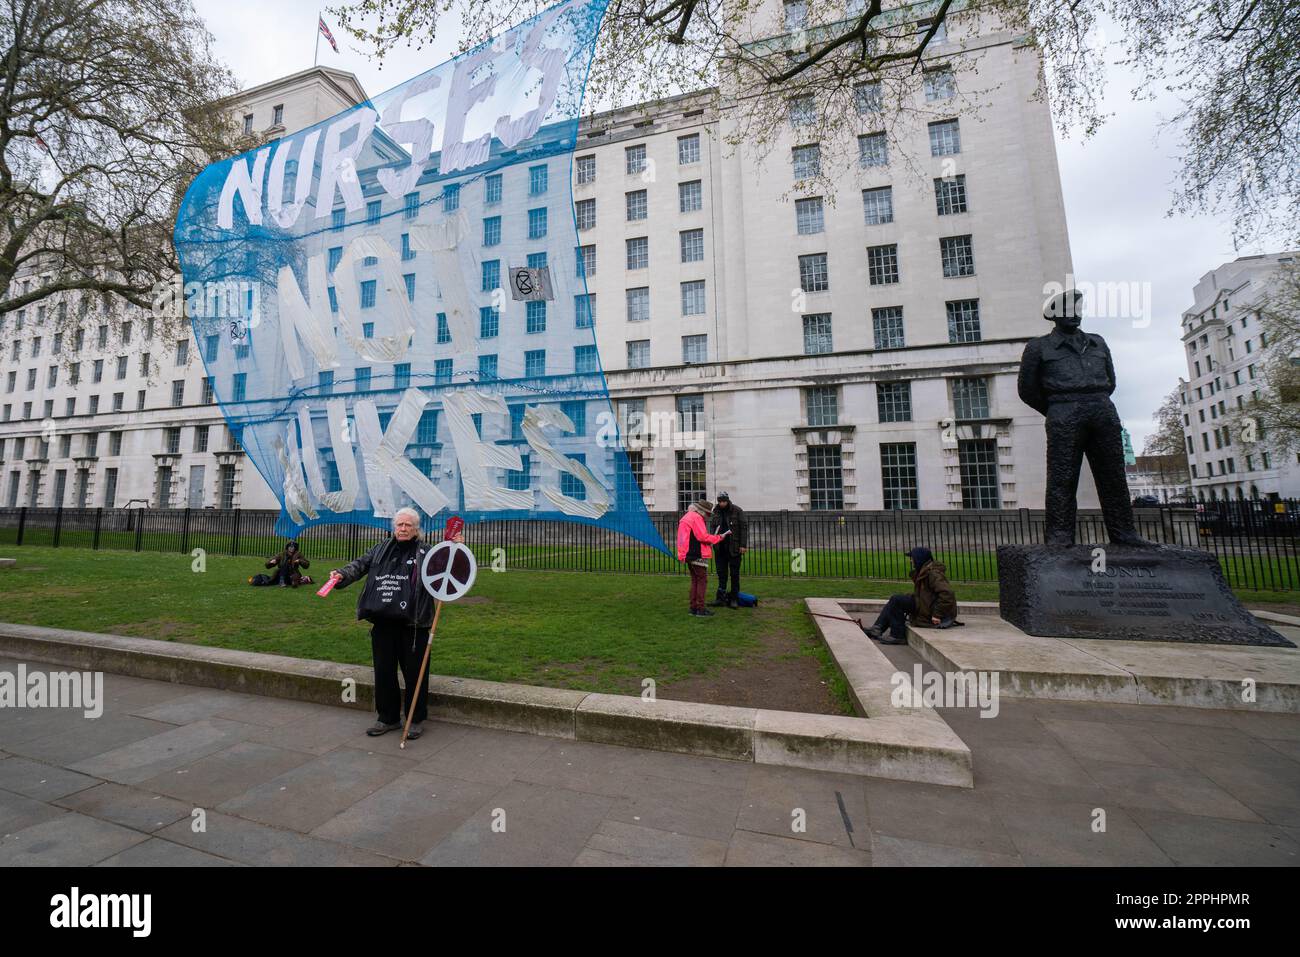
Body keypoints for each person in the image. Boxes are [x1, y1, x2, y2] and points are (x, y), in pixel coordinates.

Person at [1017, 289, 1151, 547]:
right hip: (1064, 410)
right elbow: (1027, 390)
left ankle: (1124, 533)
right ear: (1055, 316)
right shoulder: (1038, 347)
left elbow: (1110, 381)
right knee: (1062, 478)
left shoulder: (1098, 342)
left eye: (1078, 310)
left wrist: (1093, 399)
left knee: (1113, 476)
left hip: (1102, 409)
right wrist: (1056, 409)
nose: (1075, 316)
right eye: (1068, 311)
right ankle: (1059, 536)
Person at [326, 508, 434, 739]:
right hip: (383, 621)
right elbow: (359, 565)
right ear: (394, 527)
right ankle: (388, 717)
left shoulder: (426, 552)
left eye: (408, 525)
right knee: (384, 672)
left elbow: (450, 568)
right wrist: (341, 575)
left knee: (415, 673)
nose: (403, 529)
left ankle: (415, 719)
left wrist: (456, 547)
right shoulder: (380, 549)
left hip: (414, 625)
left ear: (416, 529)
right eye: (399, 525)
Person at [862, 547, 959, 645]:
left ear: (918, 558)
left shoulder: (933, 573)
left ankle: (898, 635)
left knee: (897, 600)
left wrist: (937, 615)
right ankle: (877, 628)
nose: (910, 561)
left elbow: (947, 594)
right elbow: (927, 593)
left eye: (912, 558)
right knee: (896, 599)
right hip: (925, 605)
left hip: (931, 611)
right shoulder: (925, 570)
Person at [676, 498, 730, 617]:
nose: (707, 516)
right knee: (701, 581)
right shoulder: (696, 518)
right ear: (702, 511)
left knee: (695, 580)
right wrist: (719, 538)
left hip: (687, 553)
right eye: (707, 513)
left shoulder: (687, 517)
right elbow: (702, 537)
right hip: (697, 553)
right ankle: (700, 608)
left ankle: (693, 607)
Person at [707, 491, 748, 608]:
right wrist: (713, 542)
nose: (722, 503)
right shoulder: (716, 512)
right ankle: (720, 598)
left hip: (734, 548)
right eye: (719, 501)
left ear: (727, 500)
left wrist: (743, 545)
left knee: (734, 574)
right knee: (721, 574)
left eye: (723, 501)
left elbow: (743, 528)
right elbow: (713, 529)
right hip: (720, 548)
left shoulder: (737, 510)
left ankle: (734, 599)